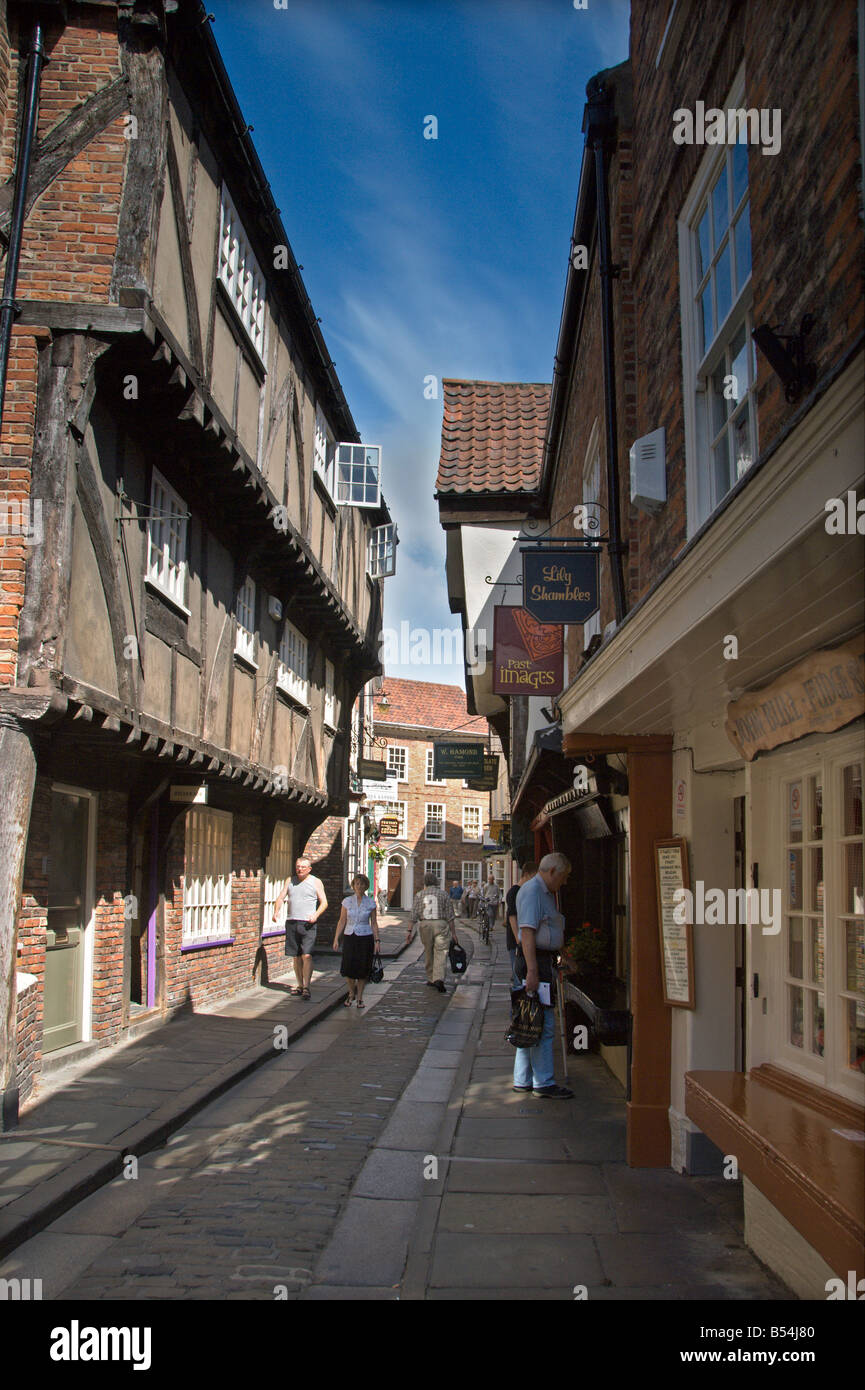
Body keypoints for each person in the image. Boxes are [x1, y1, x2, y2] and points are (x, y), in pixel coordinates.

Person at [513, 851, 574, 1099]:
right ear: (551, 872)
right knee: (544, 1025)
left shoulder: (544, 892)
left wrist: (563, 954)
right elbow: (527, 934)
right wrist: (533, 971)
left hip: (541, 961)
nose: (565, 882)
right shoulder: (533, 892)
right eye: (563, 876)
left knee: (530, 1020)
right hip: (536, 962)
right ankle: (543, 1082)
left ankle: (523, 1078)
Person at [273, 856, 328, 1000]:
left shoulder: (316, 882)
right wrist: (276, 911)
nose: (300, 869)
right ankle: (299, 985)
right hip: (292, 921)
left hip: (308, 923)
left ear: (309, 868)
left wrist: (316, 915)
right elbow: (281, 897)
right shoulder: (290, 880)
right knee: (296, 956)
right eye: (298, 866)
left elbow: (324, 902)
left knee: (307, 955)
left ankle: (307, 987)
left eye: (303, 867)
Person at [333, 873, 380, 1009]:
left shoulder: (371, 903)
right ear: (353, 886)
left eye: (362, 884)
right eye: (357, 884)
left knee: (362, 968)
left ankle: (359, 997)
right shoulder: (347, 902)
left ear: (366, 886)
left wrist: (377, 941)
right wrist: (336, 938)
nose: (359, 886)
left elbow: (374, 923)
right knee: (348, 967)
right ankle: (351, 992)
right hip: (350, 936)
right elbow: (342, 921)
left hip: (365, 937)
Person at [409, 872, 458, 994]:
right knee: (441, 952)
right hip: (440, 924)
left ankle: (431, 978)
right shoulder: (444, 894)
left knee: (428, 951)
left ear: (425, 882)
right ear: (436, 882)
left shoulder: (419, 894)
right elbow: (450, 916)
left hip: (425, 924)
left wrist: (409, 931)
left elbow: (413, 915)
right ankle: (439, 978)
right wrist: (454, 933)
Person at [505, 860, 537, 991]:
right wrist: (519, 941)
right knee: (518, 979)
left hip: (521, 941)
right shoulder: (515, 892)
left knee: (522, 978)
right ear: (527, 874)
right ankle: (517, 1010)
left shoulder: (524, 891)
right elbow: (512, 917)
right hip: (515, 942)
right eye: (535, 876)